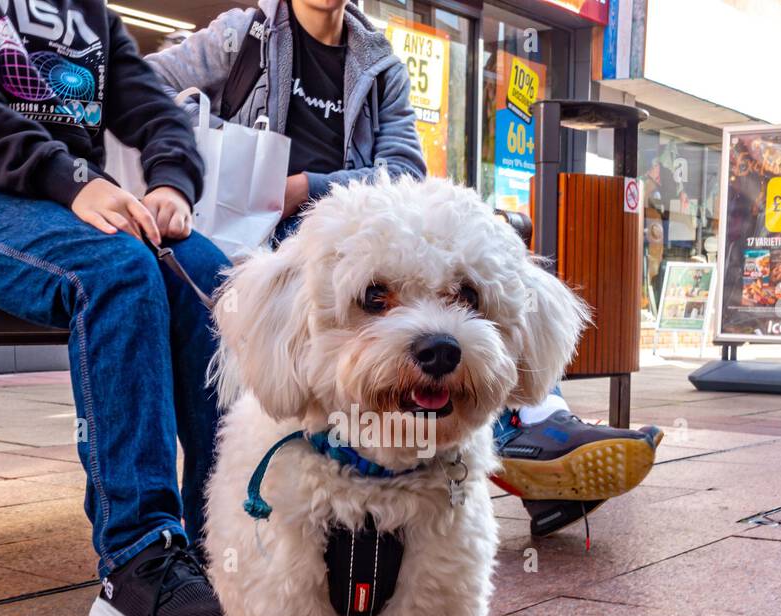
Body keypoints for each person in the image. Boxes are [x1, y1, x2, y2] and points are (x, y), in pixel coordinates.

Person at [148, 0, 661, 537]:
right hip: (259, 239)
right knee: (257, 309)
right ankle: (532, 432)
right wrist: (204, 156)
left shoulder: (379, 60)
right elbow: (141, 87)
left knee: (470, 278)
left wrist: (305, 187)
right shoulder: (242, 34)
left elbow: (403, 169)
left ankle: (537, 419)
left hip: (362, 236)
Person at [0, 0, 229, 616]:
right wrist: (69, 179)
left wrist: (172, 184)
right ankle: (137, 561)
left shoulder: (89, 11)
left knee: (206, 274)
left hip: (63, 205)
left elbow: (154, 108)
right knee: (118, 270)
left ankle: (224, 540)